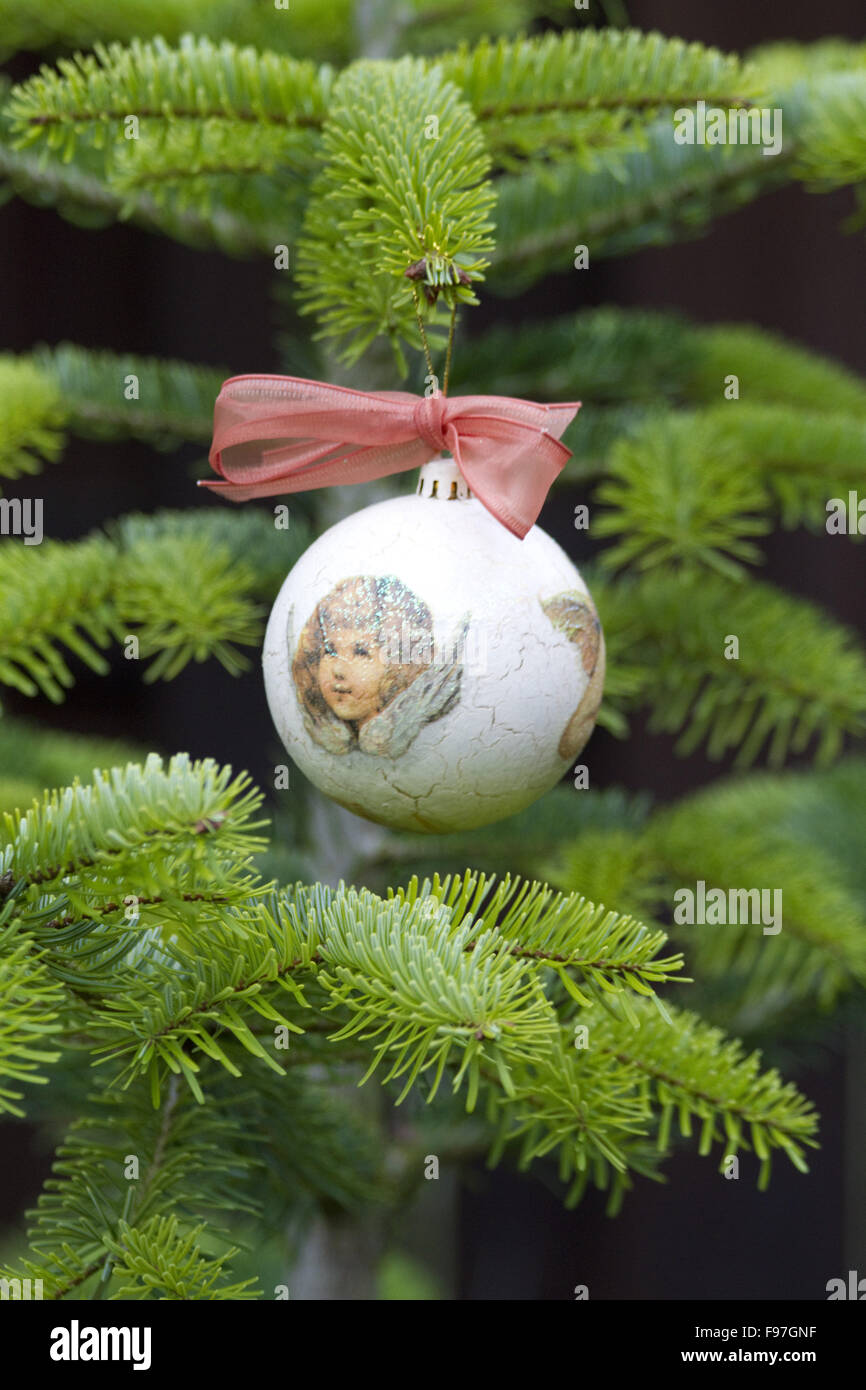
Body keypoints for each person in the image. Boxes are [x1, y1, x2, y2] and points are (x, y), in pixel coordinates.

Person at [292, 574, 469, 758]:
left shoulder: (396, 735)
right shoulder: (330, 733)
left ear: (398, 664)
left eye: (361, 653)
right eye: (330, 650)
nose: (338, 670)